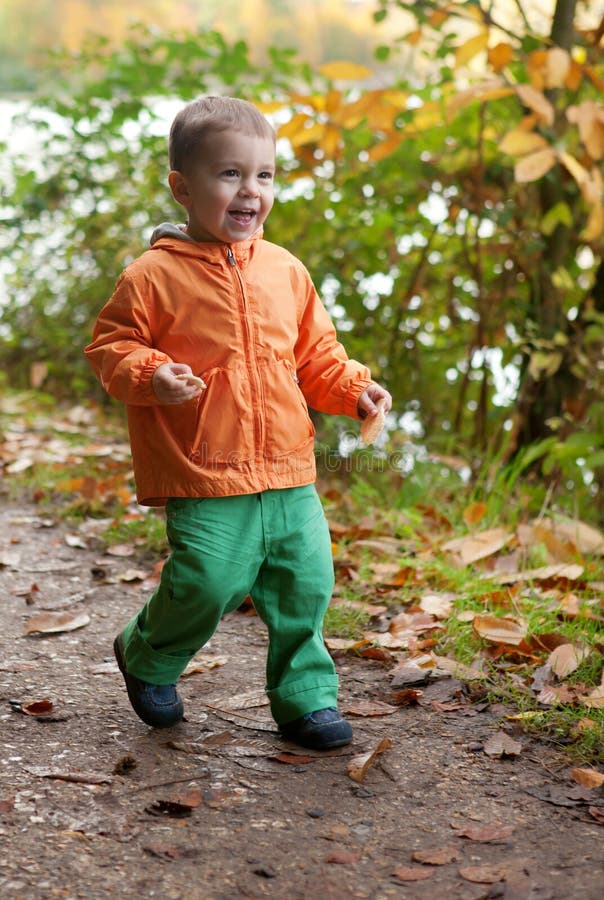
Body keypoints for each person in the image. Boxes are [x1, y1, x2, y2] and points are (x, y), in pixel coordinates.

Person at [85, 96, 392, 750]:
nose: (251, 189)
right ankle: (147, 653)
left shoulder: (285, 271)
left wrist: (354, 389)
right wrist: (152, 375)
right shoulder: (152, 276)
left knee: (305, 582)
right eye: (230, 174)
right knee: (209, 582)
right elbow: (111, 348)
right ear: (182, 188)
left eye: (264, 175)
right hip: (204, 466)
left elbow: (316, 355)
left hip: (287, 465)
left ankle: (306, 698)